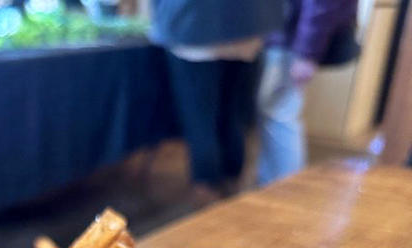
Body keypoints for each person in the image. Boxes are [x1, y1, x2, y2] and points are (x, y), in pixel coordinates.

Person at [151, 0, 283, 207]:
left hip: (193, 28)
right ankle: (233, 191)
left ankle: (207, 199)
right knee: (231, 116)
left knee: (200, 122)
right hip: (246, 29)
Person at [257, 0, 359, 185]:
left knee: (280, 116)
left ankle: (284, 187)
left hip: (288, 39)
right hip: (285, 36)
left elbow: (322, 4)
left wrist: (307, 53)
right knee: (276, 117)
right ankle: (273, 184)